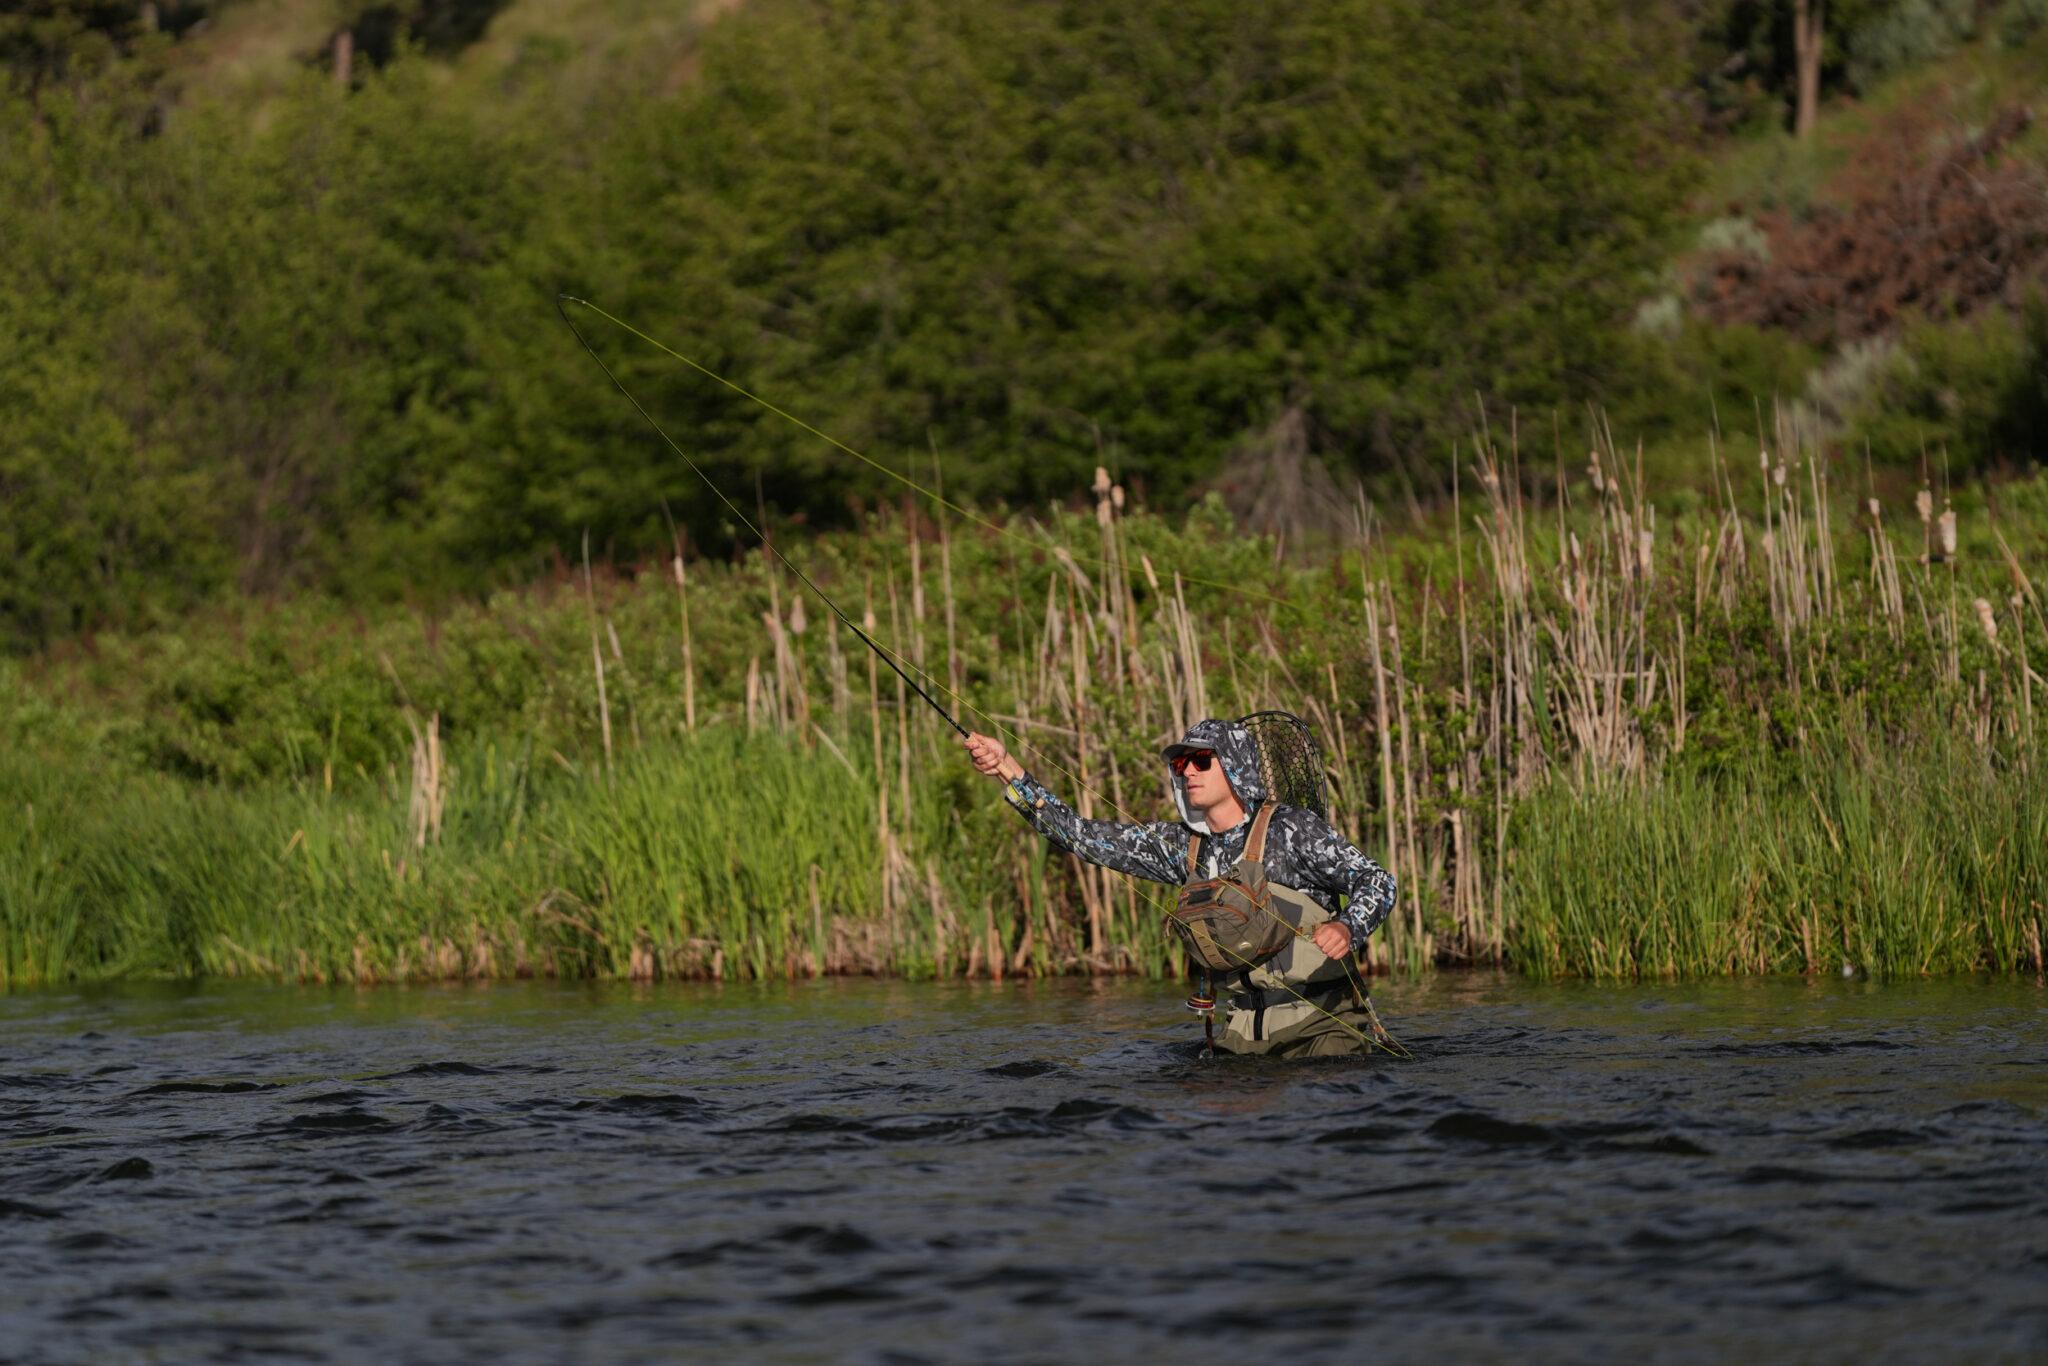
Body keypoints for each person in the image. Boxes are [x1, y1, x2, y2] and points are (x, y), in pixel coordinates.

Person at [962, 717, 1398, 1057]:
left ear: (1234, 768)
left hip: (1323, 1034)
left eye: (1201, 761)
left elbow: (1378, 881)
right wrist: (1008, 769)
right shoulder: (1182, 848)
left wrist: (1347, 926)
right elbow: (1080, 836)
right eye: (1180, 763)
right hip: (1242, 1038)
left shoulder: (1292, 830)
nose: (1188, 771)